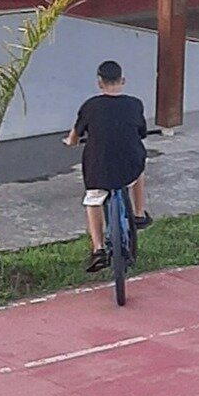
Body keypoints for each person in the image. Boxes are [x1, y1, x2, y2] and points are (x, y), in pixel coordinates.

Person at [64, 60, 151, 273]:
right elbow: (141, 132)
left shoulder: (90, 106)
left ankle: (98, 248)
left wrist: (70, 141)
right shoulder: (135, 104)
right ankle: (139, 212)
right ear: (122, 80)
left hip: (99, 166)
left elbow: (75, 135)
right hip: (129, 162)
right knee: (138, 171)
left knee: (93, 199)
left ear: (99, 83)